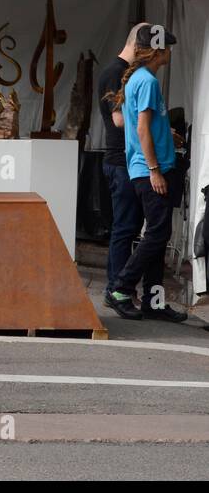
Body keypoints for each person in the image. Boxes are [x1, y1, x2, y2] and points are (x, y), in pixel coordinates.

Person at [105, 25, 187, 322]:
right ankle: (121, 289)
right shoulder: (148, 82)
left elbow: (146, 125)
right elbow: (140, 129)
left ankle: (153, 301)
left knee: (157, 235)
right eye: (167, 47)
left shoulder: (138, 79)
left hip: (143, 168)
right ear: (157, 51)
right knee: (156, 235)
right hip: (150, 170)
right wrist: (154, 170)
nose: (170, 52)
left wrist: (168, 134)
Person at [98, 23, 149, 298]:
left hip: (125, 160)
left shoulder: (124, 74)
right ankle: (114, 288)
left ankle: (118, 287)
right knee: (125, 228)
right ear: (138, 45)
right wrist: (149, 126)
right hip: (120, 161)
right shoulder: (115, 74)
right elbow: (118, 120)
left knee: (128, 228)